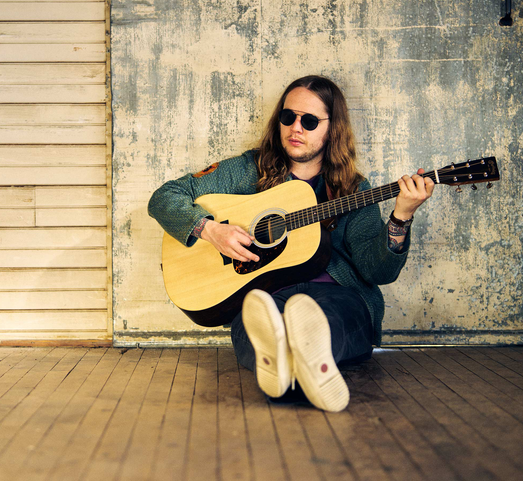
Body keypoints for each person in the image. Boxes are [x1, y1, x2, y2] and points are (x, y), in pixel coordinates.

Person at [148, 75, 434, 412]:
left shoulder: (355, 189)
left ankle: (288, 369)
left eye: (310, 121)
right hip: (263, 298)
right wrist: (210, 230)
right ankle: (307, 364)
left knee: (322, 320)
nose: (295, 128)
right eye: (289, 117)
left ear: (332, 129)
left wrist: (400, 218)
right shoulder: (246, 171)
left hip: (337, 294)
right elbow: (165, 197)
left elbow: (377, 270)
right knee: (261, 320)